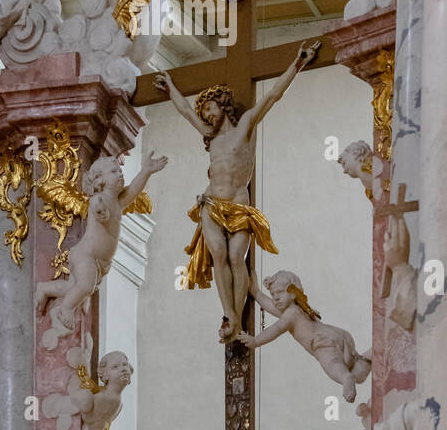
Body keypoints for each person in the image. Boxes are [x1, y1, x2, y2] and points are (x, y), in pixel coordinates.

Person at [157, 40, 320, 342]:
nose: (206, 114)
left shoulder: (245, 125)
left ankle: (235, 312)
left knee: (236, 257)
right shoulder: (210, 136)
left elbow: (272, 96)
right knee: (218, 253)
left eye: (209, 107)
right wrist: (170, 89)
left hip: (239, 204)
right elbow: (183, 111)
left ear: (223, 105)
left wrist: (297, 64)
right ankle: (230, 316)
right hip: (211, 203)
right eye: (204, 111)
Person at [36, 152, 167, 337]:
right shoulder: (100, 199)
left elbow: (135, 190)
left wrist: (146, 171)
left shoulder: (119, 202)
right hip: (86, 255)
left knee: (74, 287)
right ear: (99, 180)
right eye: (114, 171)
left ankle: (45, 289)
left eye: (120, 171)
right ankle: (65, 309)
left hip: (100, 261)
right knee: (85, 287)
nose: (120, 174)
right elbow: (95, 204)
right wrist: (100, 212)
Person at [240, 270, 371, 402]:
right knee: (358, 369)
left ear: (293, 293)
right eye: (273, 294)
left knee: (332, 364)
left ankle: (345, 378)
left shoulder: (291, 314)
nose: (275, 298)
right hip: (339, 335)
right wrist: (255, 292)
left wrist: (256, 341)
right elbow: (269, 305)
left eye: (280, 292)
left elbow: (277, 328)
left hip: (321, 343)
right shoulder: (300, 309)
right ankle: (371, 357)